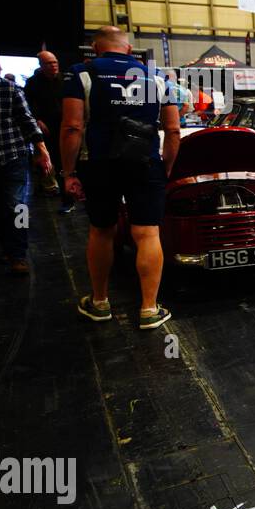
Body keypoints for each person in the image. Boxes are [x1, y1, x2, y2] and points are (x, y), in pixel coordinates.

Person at [60, 26, 180, 329]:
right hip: (145, 164)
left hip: (99, 164)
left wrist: (68, 172)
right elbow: (174, 130)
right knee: (147, 233)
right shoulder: (156, 77)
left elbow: (72, 127)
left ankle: (99, 303)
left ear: (96, 49)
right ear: (129, 50)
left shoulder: (81, 74)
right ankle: (149, 310)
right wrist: (165, 166)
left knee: (102, 230)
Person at [0, 45, 53, 274]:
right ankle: (7, 247)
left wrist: (40, 148)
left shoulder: (10, 89)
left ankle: (19, 252)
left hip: (13, 158)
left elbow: (27, 121)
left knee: (18, 206)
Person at [24, 51, 74, 212]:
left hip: (68, 126)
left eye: (55, 62)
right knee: (57, 163)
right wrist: (37, 119)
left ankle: (74, 195)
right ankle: (66, 199)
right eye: (49, 63)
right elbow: (28, 105)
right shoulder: (33, 83)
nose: (53, 66)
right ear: (41, 66)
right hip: (48, 129)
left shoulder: (66, 80)